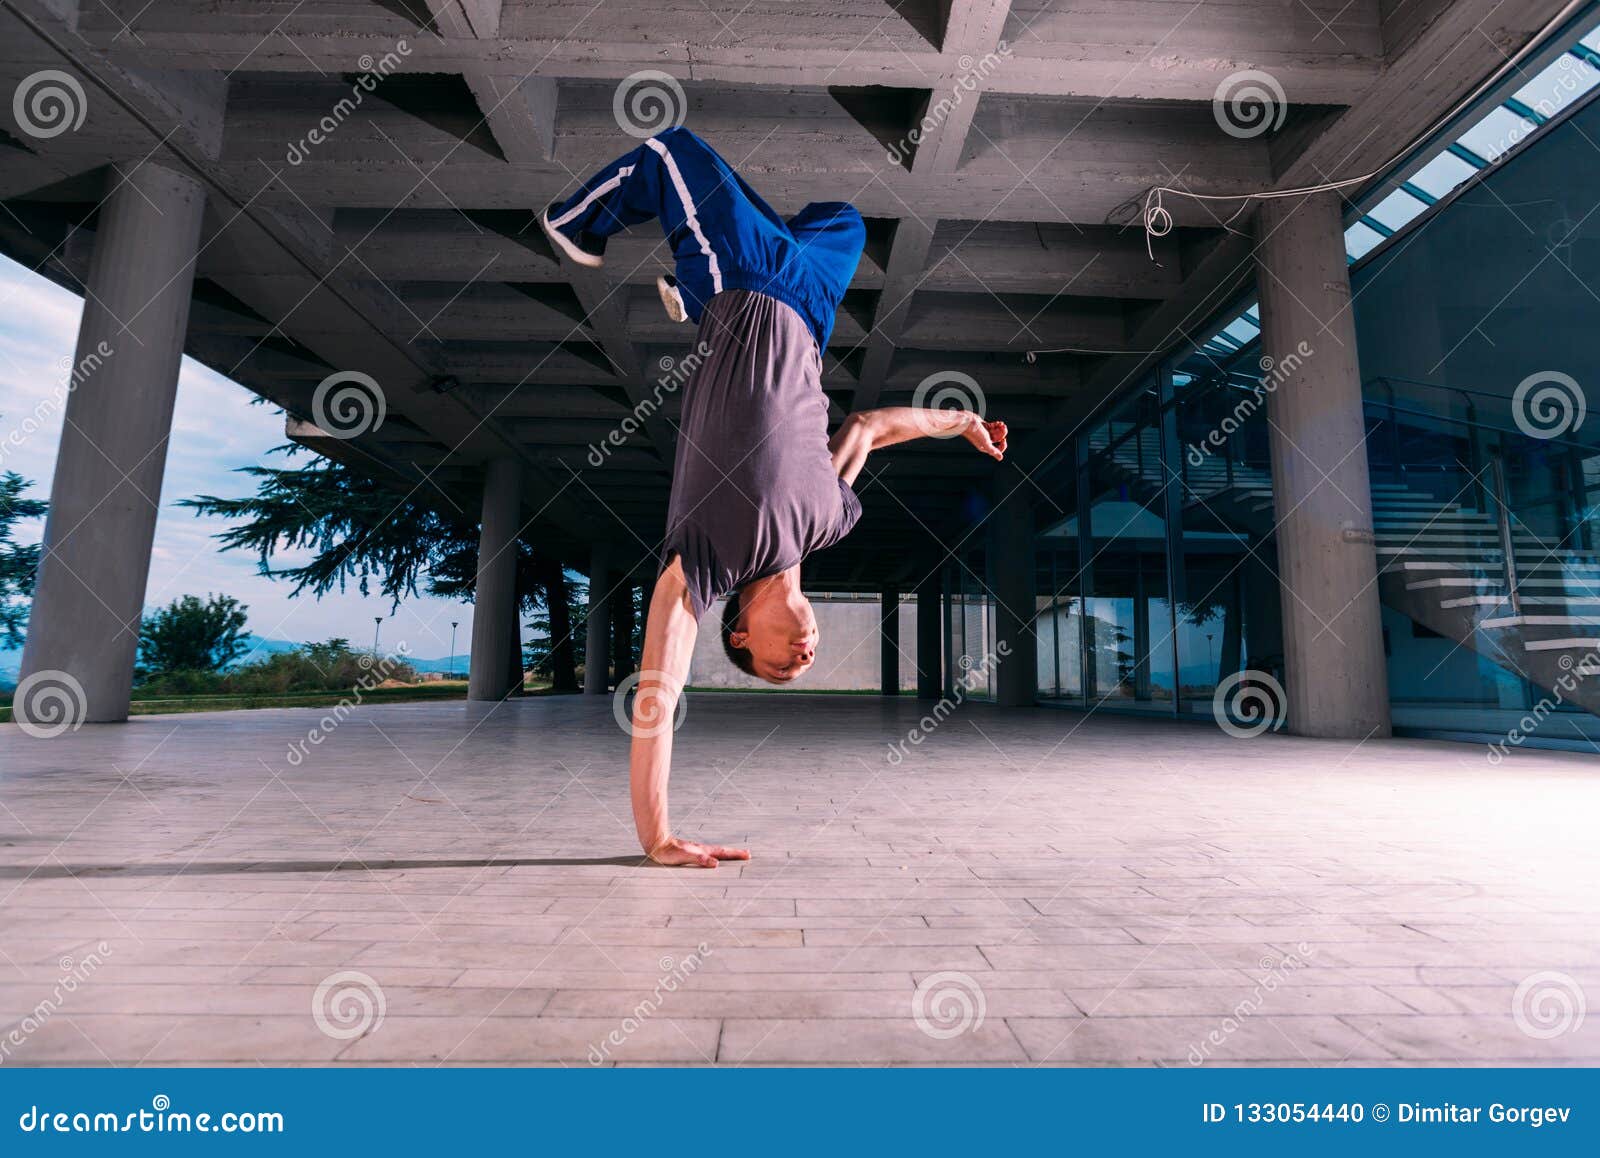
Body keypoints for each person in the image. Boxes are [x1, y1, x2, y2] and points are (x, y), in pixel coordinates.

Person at [542, 128, 1009, 867]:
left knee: (670, 153)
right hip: (811, 306)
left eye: (781, 663)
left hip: (744, 281)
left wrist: (656, 836)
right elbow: (868, 428)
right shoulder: (828, 520)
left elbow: (656, 699)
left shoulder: (703, 563)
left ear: (737, 636)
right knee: (845, 220)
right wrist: (960, 424)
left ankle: (575, 224)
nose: (804, 653)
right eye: (807, 662)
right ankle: (687, 281)